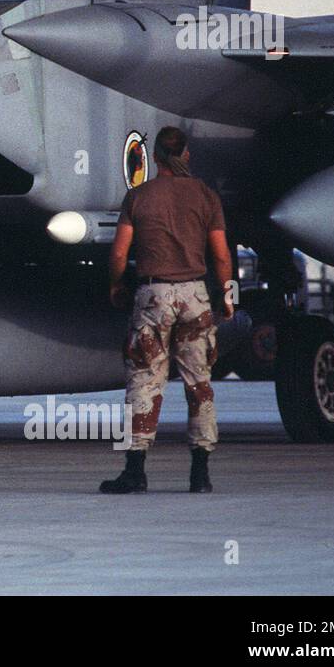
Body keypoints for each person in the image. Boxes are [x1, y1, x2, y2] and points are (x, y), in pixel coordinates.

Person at [101, 126, 233, 494]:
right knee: (199, 384)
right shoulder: (206, 197)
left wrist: (115, 285)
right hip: (195, 295)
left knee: (144, 380)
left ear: (155, 157)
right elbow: (221, 255)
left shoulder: (139, 196)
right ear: (187, 154)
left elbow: (118, 253)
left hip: (152, 294)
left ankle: (135, 470)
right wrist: (227, 295)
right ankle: (200, 473)